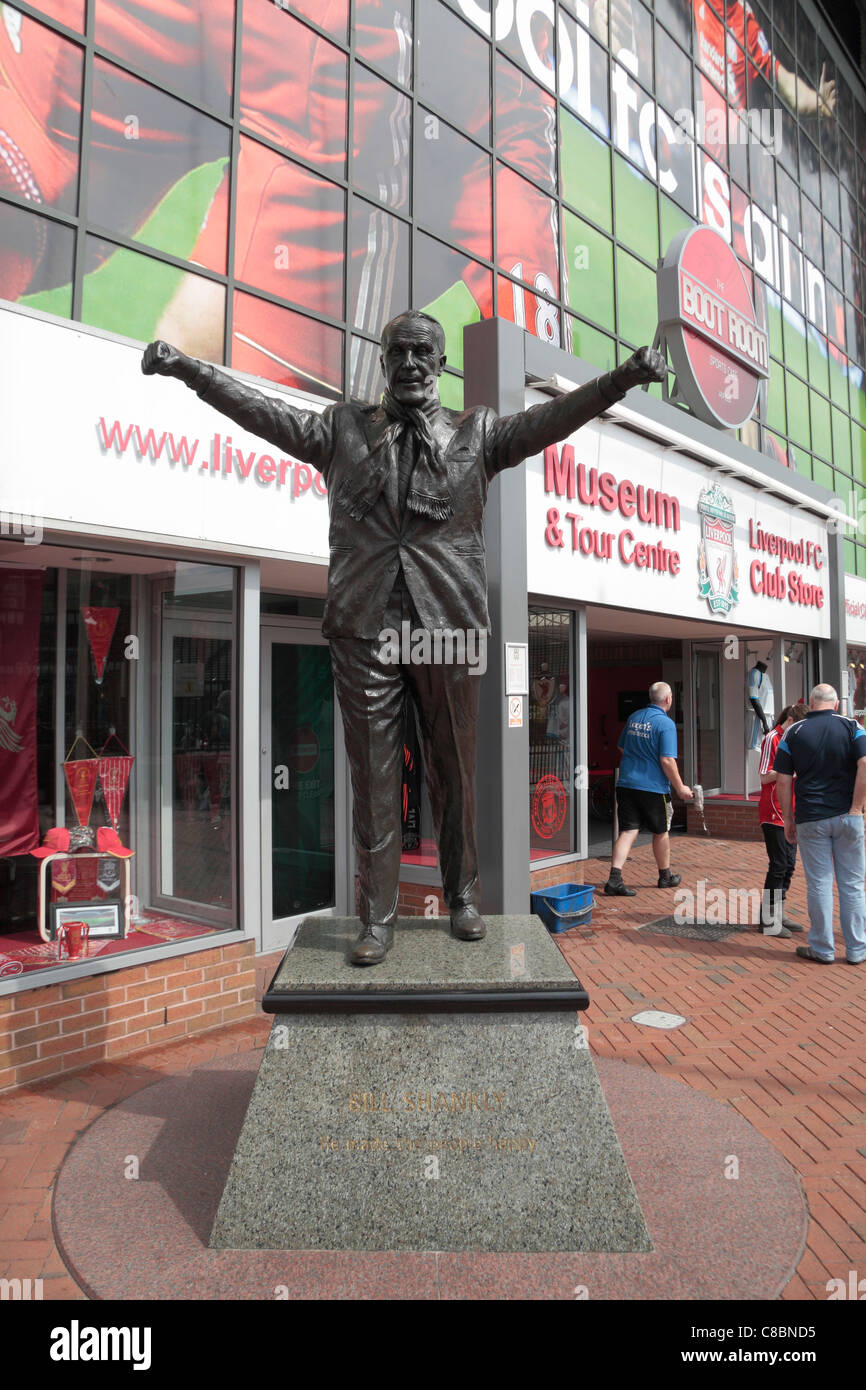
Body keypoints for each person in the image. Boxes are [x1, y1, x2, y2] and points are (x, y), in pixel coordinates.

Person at [143, 312, 667, 962]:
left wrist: (623, 378)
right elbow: (264, 413)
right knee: (372, 780)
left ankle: (464, 896)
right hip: (365, 630)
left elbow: (550, 422)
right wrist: (190, 369)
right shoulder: (342, 429)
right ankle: (378, 918)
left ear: (441, 363)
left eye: (424, 351)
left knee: (453, 774)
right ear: (384, 360)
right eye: (400, 351)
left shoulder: (477, 434)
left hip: (446, 629)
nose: (412, 361)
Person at [774, 684, 866, 966]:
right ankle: (857, 949)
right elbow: (864, 763)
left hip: (811, 817)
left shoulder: (794, 732)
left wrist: (787, 819)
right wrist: (856, 807)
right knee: (852, 884)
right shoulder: (853, 727)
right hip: (847, 816)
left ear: (811, 704)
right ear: (836, 703)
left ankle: (823, 949)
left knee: (819, 884)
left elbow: (783, 779)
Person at [604, 682, 693, 897]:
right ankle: (665, 876)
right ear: (668, 700)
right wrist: (680, 788)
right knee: (660, 832)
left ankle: (614, 878)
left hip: (626, 783)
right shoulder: (665, 724)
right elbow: (667, 760)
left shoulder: (634, 717)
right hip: (652, 787)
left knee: (628, 831)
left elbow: (621, 746)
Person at [758, 702, 808, 936]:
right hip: (774, 812)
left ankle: (779, 912)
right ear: (789, 722)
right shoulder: (772, 738)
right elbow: (765, 777)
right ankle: (768, 919)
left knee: (789, 865)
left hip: (792, 811)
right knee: (778, 865)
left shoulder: (795, 741)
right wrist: (791, 769)